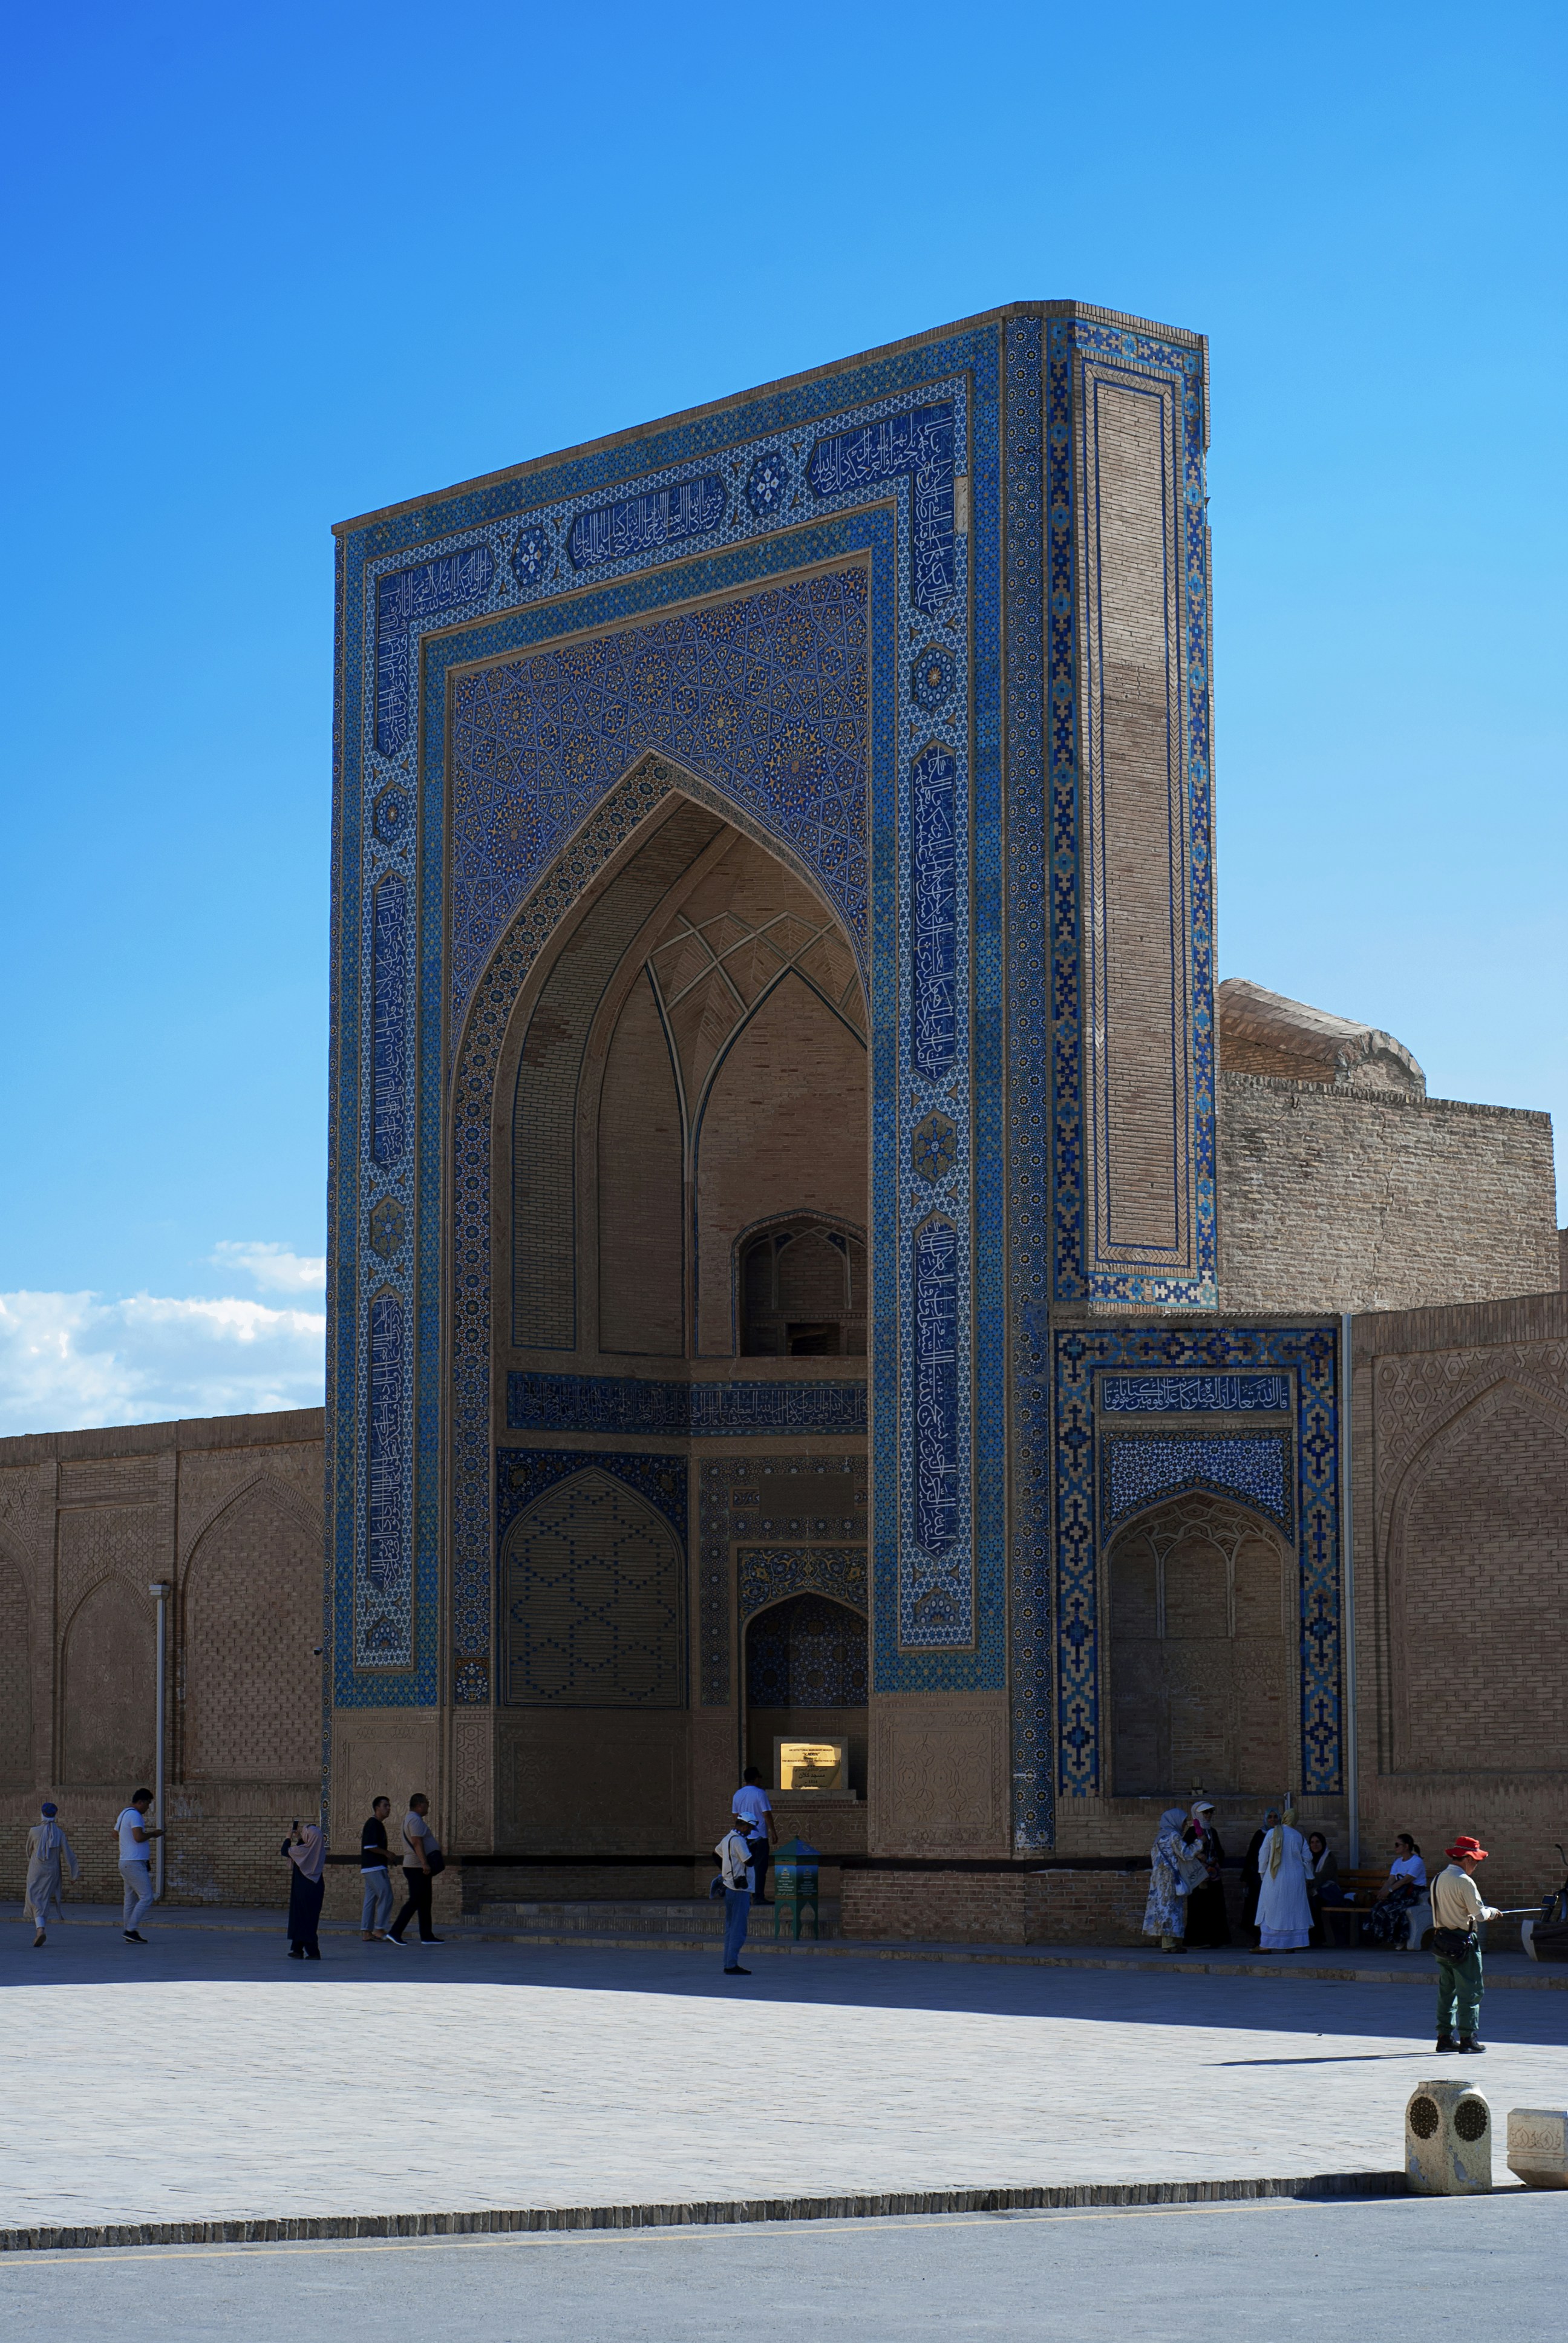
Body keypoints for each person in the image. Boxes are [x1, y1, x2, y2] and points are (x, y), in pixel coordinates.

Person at [1432, 1835, 1499, 2055]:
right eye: (1477, 1861)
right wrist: (1491, 1912)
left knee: (1446, 1991)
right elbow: (1479, 1915)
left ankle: (1444, 2037)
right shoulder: (1465, 1881)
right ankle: (1468, 2038)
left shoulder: (1438, 1879)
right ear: (1467, 1858)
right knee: (1470, 1991)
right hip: (1463, 1943)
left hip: (1441, 1941)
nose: (1477, 1866)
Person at [1253, 1811, 1313, 1951]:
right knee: (1292, 1911)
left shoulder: (1272, 1833)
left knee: (1272, 1909)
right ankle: (1291, 1944)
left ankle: (1266, 1945)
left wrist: (1263, 1873)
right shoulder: (1299, 1837)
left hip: (1274, 1878)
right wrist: (1306, 1875)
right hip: (1295, 1879)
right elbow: (1308, 1857)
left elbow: (1263, 1855)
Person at [388, 1792, 443, 1944]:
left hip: (417, 1867)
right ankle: (395, 1932)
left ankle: (426, 1935)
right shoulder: (415, 1820)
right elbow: (417, 1843)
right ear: (419, 1805)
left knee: (425, 1901)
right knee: (416, 1900)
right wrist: (424, 1863)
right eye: (427, 1803)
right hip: (416, 1867)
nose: (428, 1806)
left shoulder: (412, 1819)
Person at [25, 1802, 79, 1947]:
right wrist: (73, 1874)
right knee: (44, 1899)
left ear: (42, 1814)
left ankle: (40, 1929)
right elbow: (69, 1854)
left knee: (33, 1898)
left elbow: (28, 1850)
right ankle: (40, 1929)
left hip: (36, 1869)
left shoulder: (34, 1831)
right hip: (52, 1871)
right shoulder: (59, 1833)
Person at [1361, 1833, 1427, 1950]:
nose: (1395, 1847)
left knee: (1394, 1910)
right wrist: (1382, 1892)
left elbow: (1406, 1880)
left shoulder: (1417, 1862)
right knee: (1379, 1907)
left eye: (1397, 1845)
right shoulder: (1398, 1862)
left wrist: (1389, 1891)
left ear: (1406, 1846)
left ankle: (1400, 1939)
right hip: (1399, 1893)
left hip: (1413, 1894)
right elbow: (1391, 1879)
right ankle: (1380, 1936)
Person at [114, 1788, 163, 1944]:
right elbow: (139, 1837)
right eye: (148, 1804)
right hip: (134, 1863)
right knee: (147, 1897)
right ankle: (130, 1930)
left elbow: (115, 1834)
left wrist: (126, 1843)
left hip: (126, 1861)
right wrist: (154, 1834)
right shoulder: (135, 1815)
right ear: (140, 1802)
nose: (148, 1808)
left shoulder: (124, 1814)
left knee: (130, 1899)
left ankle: (129, 1931)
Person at [1181, 1800, 1230, 1947]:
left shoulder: (1212, 1832)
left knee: (1215, 1906)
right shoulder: (1192, 1832)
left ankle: (1215, 1939)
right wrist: (1199, 1856)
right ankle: (1198, 1939)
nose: (1208, 1815)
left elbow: (1220, 1851)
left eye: (1210, 1812)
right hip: (1199, 1876)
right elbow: (1186, 1852)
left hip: (1213, 1874)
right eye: (1205, 1812)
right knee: (1199, 1906)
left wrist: (1216, 1858)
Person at [1143, 1807, 1192, 1953]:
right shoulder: (1174, 1836)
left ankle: (1171, 1943)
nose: (1185, 1825)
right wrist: (1199, 1844)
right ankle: (1170, 1944)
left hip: (1159, 1881)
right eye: (1183, 1822)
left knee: (1164, 1910)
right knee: (1172, 1911)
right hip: (1171, 1880)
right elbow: (1186, 1854)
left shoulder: (1159, 1838)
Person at [732, 1766, 777, 1906]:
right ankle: (758, 1896)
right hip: (759, 1837)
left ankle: (747, 1896)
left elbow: (735, 1815)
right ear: (756, 1778)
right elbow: (766, 1814)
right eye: (760, 1777)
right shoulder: (760, 1793)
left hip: (744, 1838)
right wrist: (773, 1832)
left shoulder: (738, 1794)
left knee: (746, 1867)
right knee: (760, 1868)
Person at [283, 1819, 327, 1959]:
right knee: (303, 1917)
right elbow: (303, 1847)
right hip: (314, 1887)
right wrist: (299, 1838)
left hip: (305, 1889)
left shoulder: (304, 1851)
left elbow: (285, 1851)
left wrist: (288, 1837)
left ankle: (313, 1952)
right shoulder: (316, 1849)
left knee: (305, 1918)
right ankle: (297, 1949)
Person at [716, 1819, 754, 1974]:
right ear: (744, 1826)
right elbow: (749, 1861)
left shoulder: (727, 1839)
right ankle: (732, 1965)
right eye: (750, 1828)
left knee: (731, 1928)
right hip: (739, 1890)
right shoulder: (739, 1841)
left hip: (729, 1887)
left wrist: (727, 1871)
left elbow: (716, 1853)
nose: (750, 1832)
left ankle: (728, 1963)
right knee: (738, 1929)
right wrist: (756, 1849)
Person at [1240, 1810, 1279, 1945]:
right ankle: (1259, 1939)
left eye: (1275, 1817)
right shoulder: (1260, 1835)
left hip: (1276, 1878)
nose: (1273, 1820)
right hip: (1258, 1879)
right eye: (1270, 1817)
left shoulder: (1281, 1834)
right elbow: (1251, 1856)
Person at [360, 1796, 394, 1941]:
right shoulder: (373, 1824)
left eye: (389, 1805)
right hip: (374, 1868)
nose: (388, 1808)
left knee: (371, 1899)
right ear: (377, 1808)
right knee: (386, 1895)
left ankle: (367, 1932)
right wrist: (387, 1853)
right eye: (385, 1806)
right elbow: (370, 1846)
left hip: (372, 1867)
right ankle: (380, 1929)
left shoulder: (378, 1825)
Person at [1305, 1831, 1342, 1944]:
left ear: (1323, 1843)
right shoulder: (1309, 1860)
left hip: (1328, 1893)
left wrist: (1308, 1882)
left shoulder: (1329, 1858)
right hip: (1314, 1891)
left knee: (1314, 1902)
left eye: (1318, 1842)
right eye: (1312, 1842)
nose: (1315, 1845)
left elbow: (1323, 1877)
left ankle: (1317, 1937)